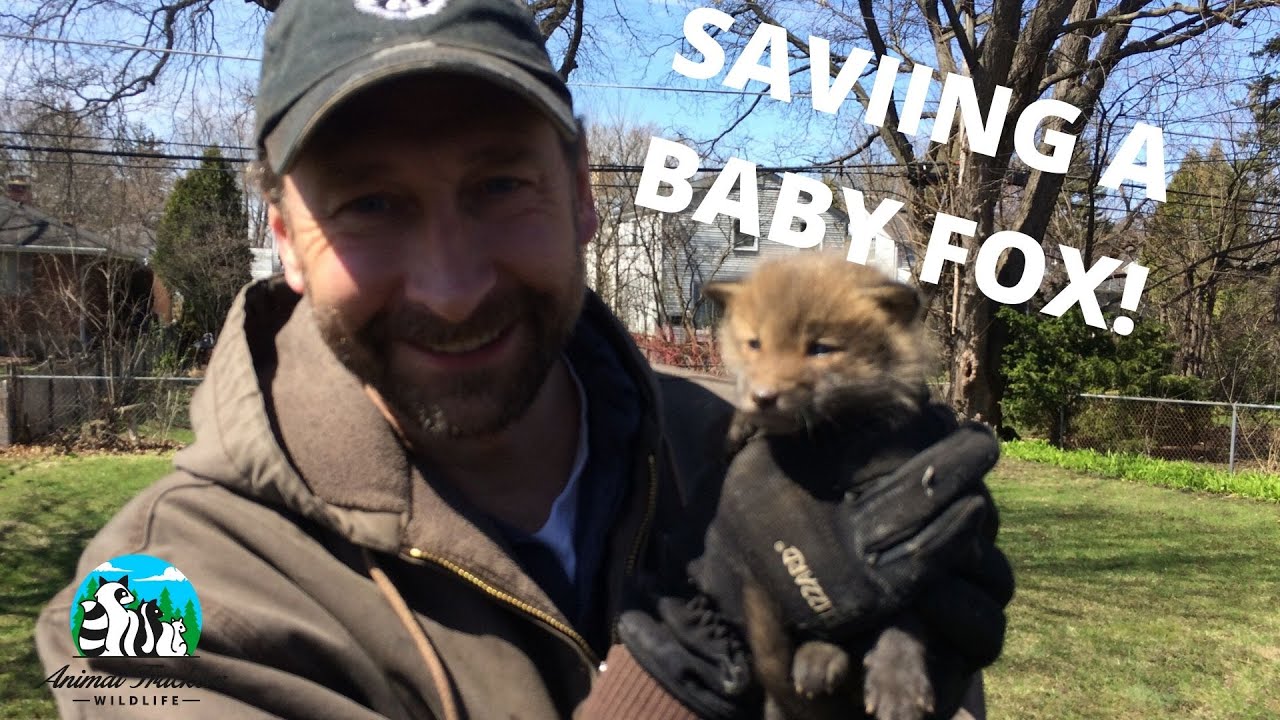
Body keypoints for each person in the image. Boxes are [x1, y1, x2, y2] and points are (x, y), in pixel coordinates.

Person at [35, 0, 1013, 717]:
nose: (451, 287)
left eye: (500, 183)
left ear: (582, 191)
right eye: (368, 205)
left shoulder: (734, 452)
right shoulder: (159, 592)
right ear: (283, 232)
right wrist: (689, 657)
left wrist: (919, 666)